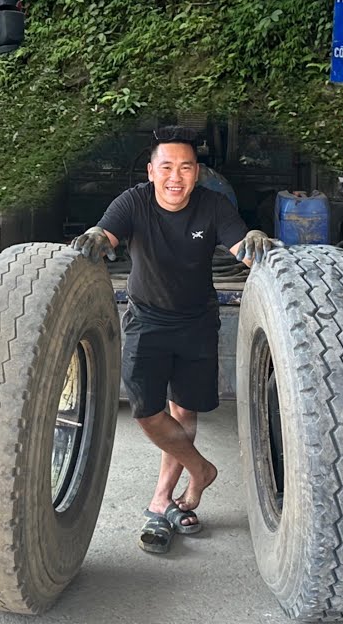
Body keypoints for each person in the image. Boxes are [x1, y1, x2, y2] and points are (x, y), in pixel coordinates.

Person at [71, 126, 282, 555]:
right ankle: (200, 470)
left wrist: (256, 241)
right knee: (148, 412)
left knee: (182, 410)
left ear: (197, 172)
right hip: (146, 320)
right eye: (166, 167)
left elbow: (242, 246)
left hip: (196, 323)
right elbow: (106, 234)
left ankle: (164, 502)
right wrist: (94, 237)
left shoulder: (213, 205)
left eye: (185, 167)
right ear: (151, 171)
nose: (175, 177)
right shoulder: (133, 202)